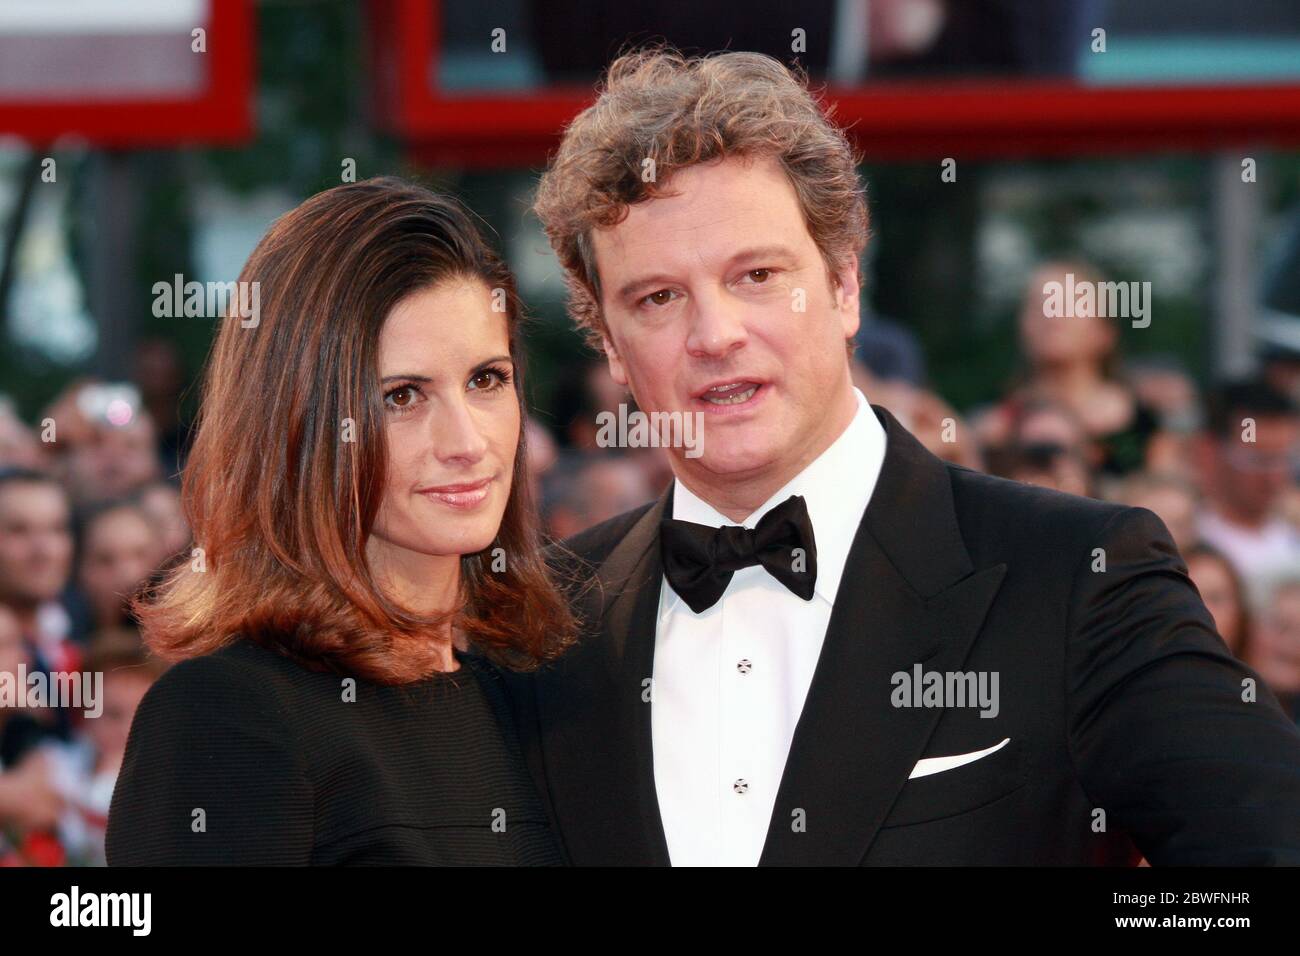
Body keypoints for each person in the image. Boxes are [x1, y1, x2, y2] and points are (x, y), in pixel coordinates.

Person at [509, 47, 1300, 866]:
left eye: (755, 275)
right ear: (607, 340)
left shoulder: (1076, 579)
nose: (715, 336)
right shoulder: (544, 626)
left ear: (845, 285)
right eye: (658, 298)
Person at [106, 178, 575, 865]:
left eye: (486, 379)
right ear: (299, 423)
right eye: (402, 396)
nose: (467, 440)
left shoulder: (535, 703)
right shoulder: (229, 717)